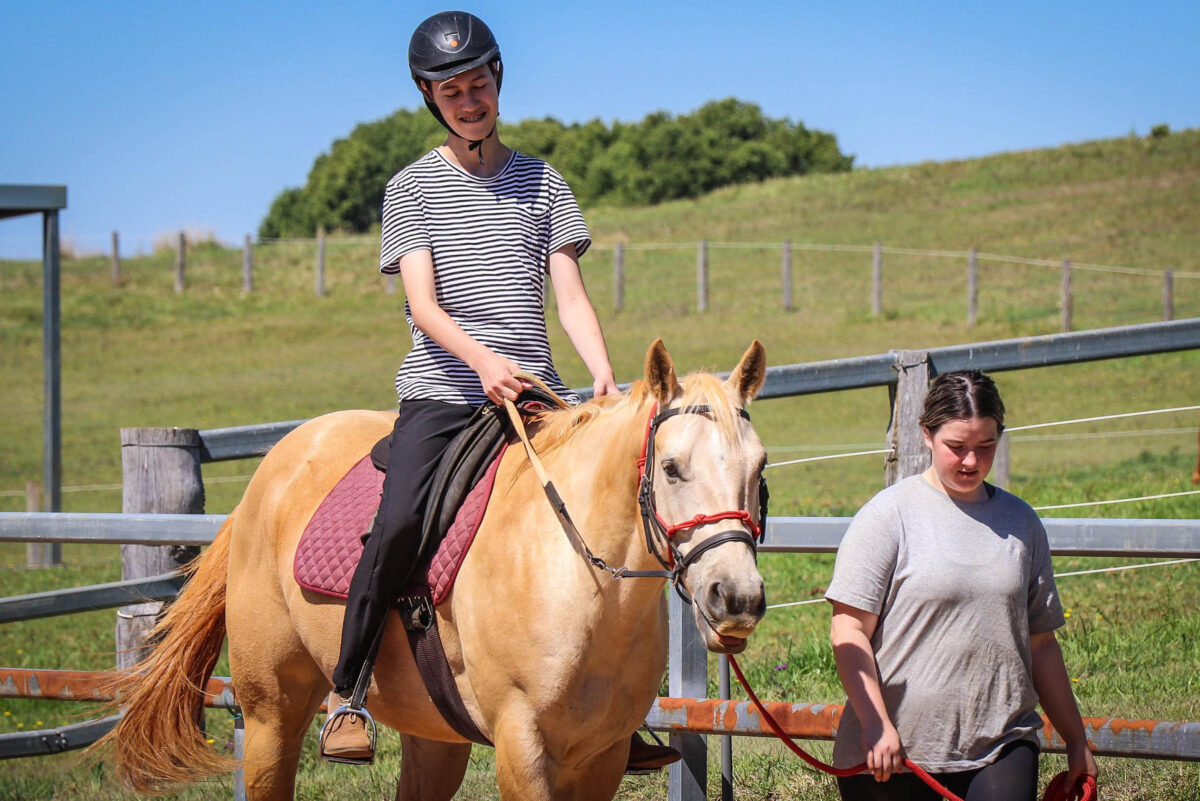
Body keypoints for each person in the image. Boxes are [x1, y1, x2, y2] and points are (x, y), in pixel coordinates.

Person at [319, 11, 678, 774]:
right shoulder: (411, 188)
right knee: (400, 519)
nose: (469, 99)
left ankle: (617, 707)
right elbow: (423, 306)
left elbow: (570, 296)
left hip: (539, 396)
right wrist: (482, 361)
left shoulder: (545, 182)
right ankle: (347, 690)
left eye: (478, 83)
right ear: (430, 97)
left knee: (613, 519)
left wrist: (602, 371)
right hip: (445, 394)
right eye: (452, 90)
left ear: (498, 81)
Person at [825, 370, 1098, 800]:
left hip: (1001, 742)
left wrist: (1076, 740)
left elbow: (1042, 644)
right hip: (890, 754)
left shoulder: (1022, 523)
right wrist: (876, 722)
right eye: (957, 447)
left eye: (985, 447)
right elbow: (848, 629)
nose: (971, 461)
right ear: (926, 435)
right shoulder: (887, 517)